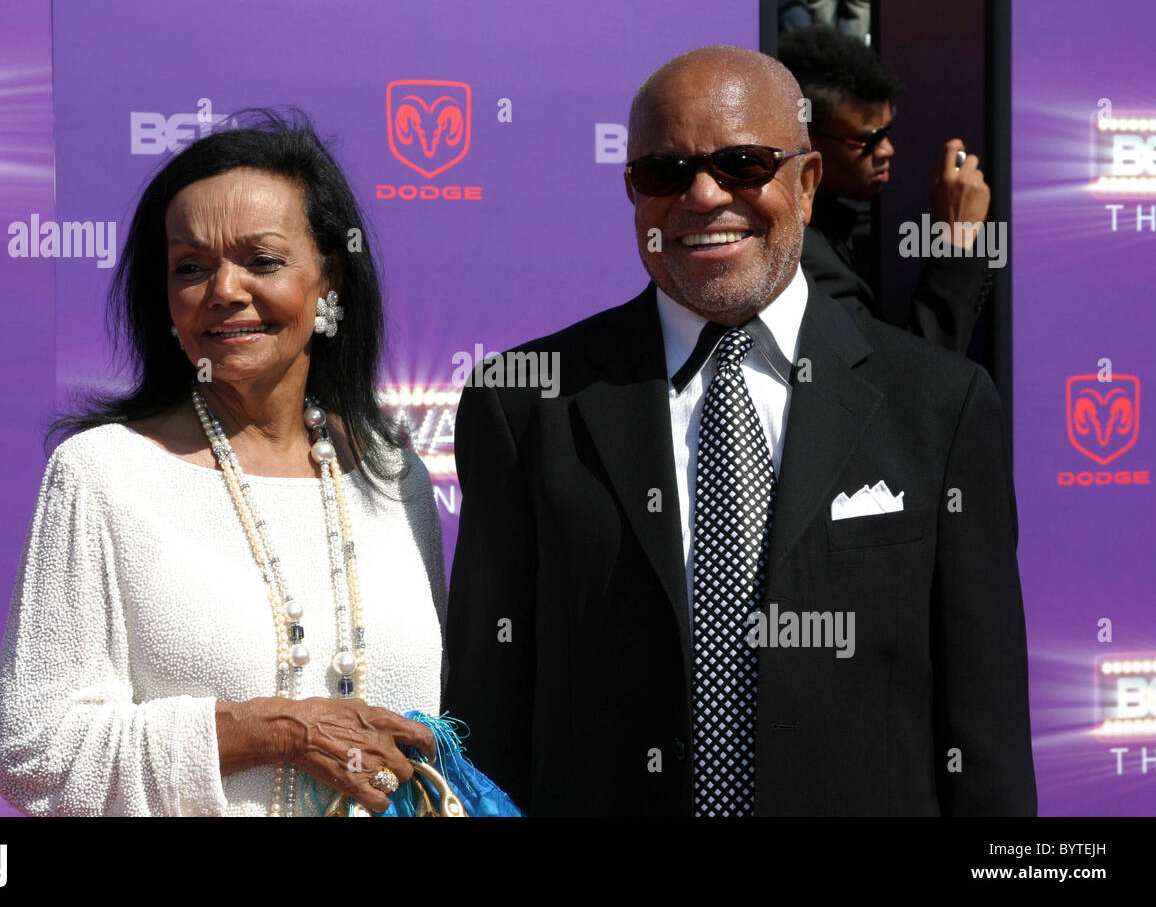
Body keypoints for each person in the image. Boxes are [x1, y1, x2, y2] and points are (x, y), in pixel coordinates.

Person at [444, 46, 1035, 816]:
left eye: (744, 163)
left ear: (809, 181)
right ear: (632, 190)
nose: (702, 195)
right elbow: (488, 716)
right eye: (665, 171)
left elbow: (984, 721)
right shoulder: (525, 405)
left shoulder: (939, 403)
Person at [0, 111, 444, 817]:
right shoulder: (101, 474)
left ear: (330, 281)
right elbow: (38, 753)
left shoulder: (394, 476)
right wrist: (277, 733)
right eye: (192, 267)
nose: (225, 290)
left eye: (262, 261)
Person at [779, 25, 996, 355]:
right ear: (807, 144)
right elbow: (906, 389)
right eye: (869, 140)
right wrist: (957, 239)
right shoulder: (804, 259)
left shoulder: (838, 219)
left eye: (888, 130)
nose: (887, 150)